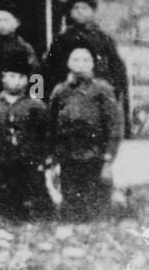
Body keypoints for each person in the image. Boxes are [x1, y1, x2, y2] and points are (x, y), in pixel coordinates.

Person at [48, 46, 124, 222]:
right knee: (72, 205)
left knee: (97, 204)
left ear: (92, 64)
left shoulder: (102, 90)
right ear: (68, 63)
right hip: (69, 156)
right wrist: (53, 159)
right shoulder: (60, 91)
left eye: (85, 60)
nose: (80, 65)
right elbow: (52, 126)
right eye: (75, 60)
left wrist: (108, 159)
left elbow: (114, 126)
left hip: (95, 155)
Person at [43, 0, 131, 136]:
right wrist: (38, 97)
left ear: (93, 11)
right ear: (70, 12)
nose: (80, 12)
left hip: (97, 96)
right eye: (75, 8)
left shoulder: (104, 39)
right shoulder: (61, 40)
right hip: (68, 96)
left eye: (84, 8)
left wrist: (112, 91)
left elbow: (118, 70)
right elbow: (46, 70)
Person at [0, 54, 50, 220]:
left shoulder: (35, 105)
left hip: (28, 162)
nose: (16, 81)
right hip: (2, 162)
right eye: (11, 76)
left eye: (21, 77)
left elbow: (45, 134)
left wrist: (42, 158)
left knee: (33, 196)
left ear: (27, 80)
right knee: (3, 197)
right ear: (3, 78)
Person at [0, 5, 40, 96]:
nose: (2, 24)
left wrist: (36, 98)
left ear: (16, 23)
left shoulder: (25, 48)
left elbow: (35, 73)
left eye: (6, 20)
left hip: (21, 95)